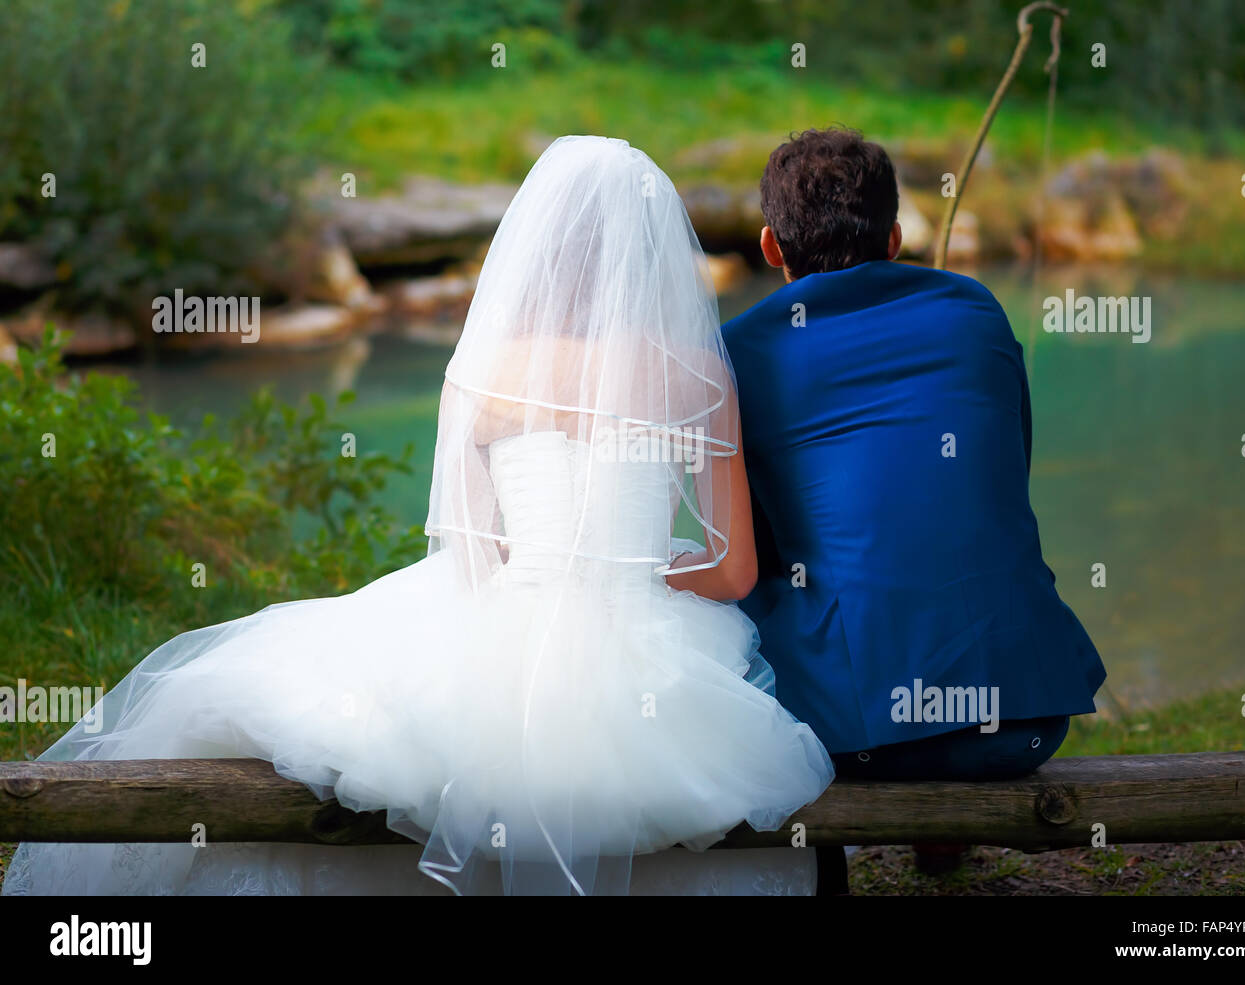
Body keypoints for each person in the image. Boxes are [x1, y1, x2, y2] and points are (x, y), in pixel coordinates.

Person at [3, 136, 833, 897]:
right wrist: (639, 567)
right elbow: (733, 572)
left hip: (512, 615)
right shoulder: (696, 375)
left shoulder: (487, 369)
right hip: (653, 649)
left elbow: (472, 553)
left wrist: (549, 571)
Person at [721, 128, 1106, 891]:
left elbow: (748, 553)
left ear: (769, 245)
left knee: (745, 589)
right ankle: (938, 828)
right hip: (1025, 720)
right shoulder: (976, 309)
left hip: (849, 738)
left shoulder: (736, 349)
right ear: (896, 237)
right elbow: (1005, 474)